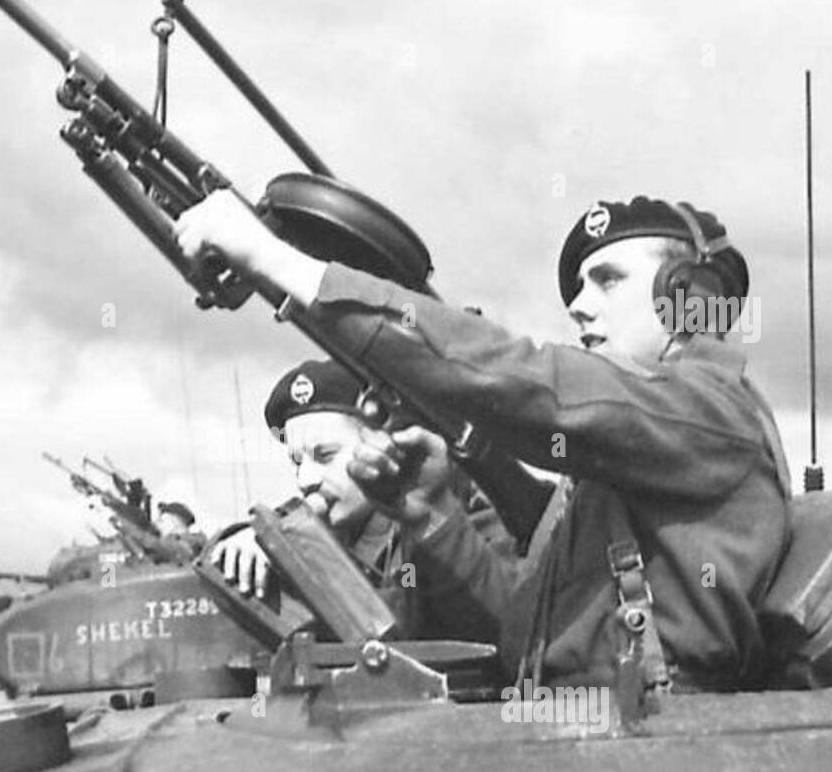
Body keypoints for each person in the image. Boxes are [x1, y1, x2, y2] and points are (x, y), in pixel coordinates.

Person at [177, 194, 790, 701]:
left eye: (608, 280)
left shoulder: (710, 411)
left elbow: (527, 380)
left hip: (654, 747)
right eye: (580, 286)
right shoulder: (627, 460)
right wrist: (430, 515)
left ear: (691, 297)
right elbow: (521, 638)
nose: (578, 305)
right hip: (582, 729)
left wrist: (278, 263)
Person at [211, 358, 505, 643]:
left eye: (325, 455)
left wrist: (433, 524)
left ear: (384, 444)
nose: (305, 479)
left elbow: (504, 621)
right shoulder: (317, 532)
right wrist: (253, 541)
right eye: (297, 462)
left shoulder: (462, 512)